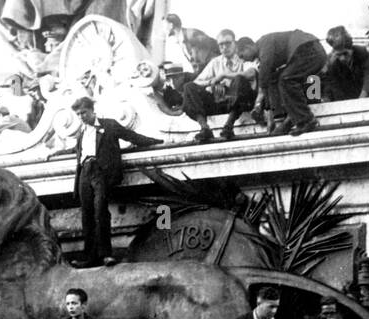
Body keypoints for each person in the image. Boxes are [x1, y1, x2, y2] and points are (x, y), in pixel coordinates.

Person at [68, 97, 163, 268]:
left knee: (100, 212)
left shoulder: (109, 125)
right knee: (86, 215)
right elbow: (77, 151)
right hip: (84, 172)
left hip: (100, 172)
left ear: (92, 110)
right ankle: (89, 257)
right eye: (78, 114)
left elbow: (132, 136)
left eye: (84, 112)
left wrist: (157, 141)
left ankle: (106, 255)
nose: (81, 116)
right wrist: (52, 153)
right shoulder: (82, 133)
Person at [238, 29, 327, 136]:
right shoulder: (264, 52)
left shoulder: (264, 42)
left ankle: (306, 120)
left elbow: (264, 73)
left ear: (248, 47)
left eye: (242, 56)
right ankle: (296, 119)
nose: (244, 60)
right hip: (313, 53)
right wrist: (271, 118)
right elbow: (269, 81)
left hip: (309, 50)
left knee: (286, 79)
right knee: (284, 79)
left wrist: (258, 98)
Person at [182, 29, 258, 143]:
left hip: (239, 103)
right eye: (221, 44)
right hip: (219, 101)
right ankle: (205, 128)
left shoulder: (243, 58)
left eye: (228, 43)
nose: (224, 47)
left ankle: (228, 126)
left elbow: (250, 73)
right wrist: (213, 83)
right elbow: (198, 82)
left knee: (240, 79)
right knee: (189, 87)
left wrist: (223, 75)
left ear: (235, 44)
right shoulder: (215, 62)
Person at [322, 25, 369, 101]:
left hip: (363, 96)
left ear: (352, 50)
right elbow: (330, 87)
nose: (342, 58)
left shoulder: (361, 52)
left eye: (345, 54)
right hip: (341, 99)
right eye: (339, 55)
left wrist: (361, 100)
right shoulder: (329, 62)